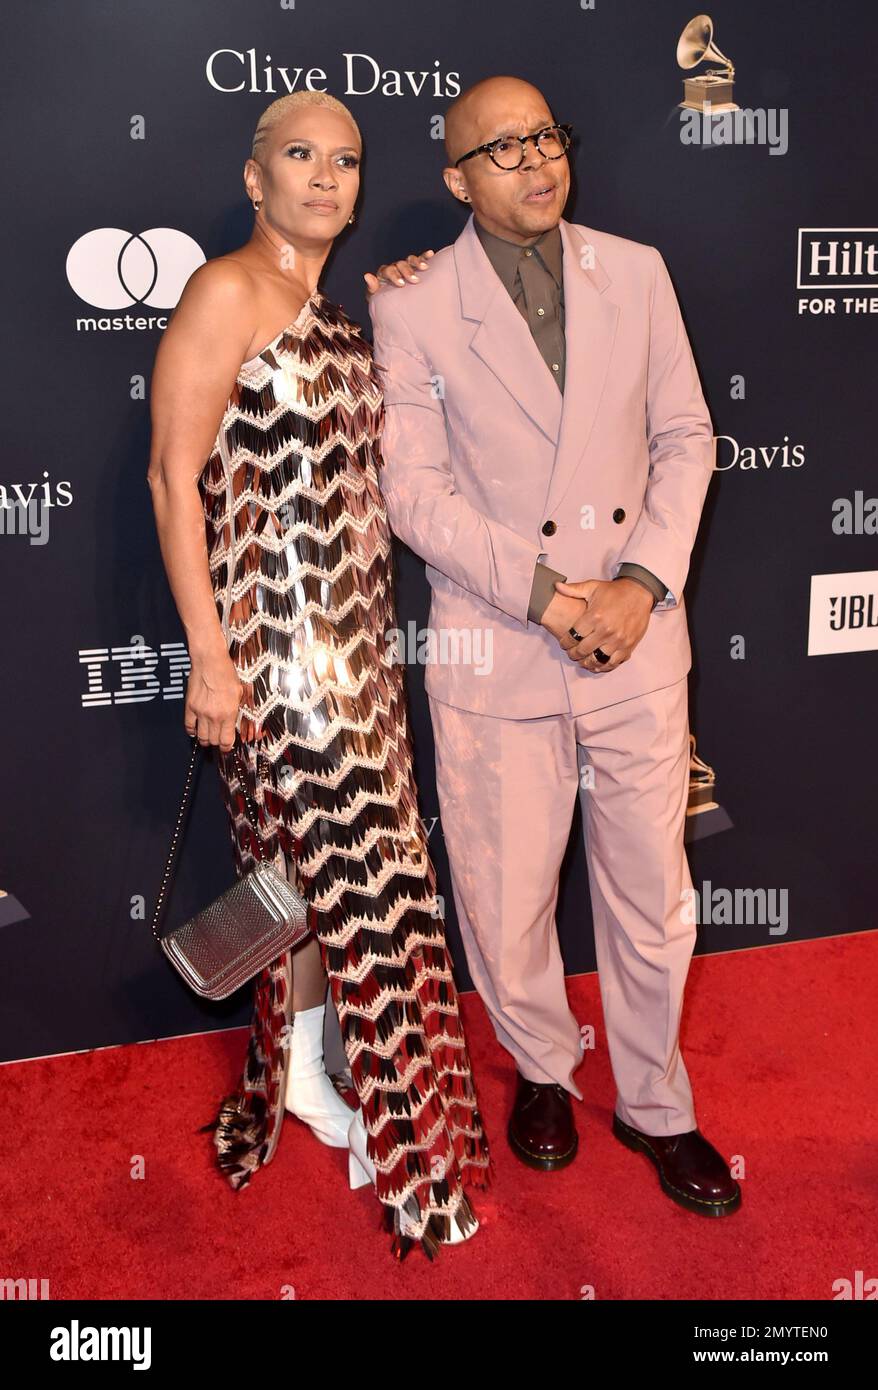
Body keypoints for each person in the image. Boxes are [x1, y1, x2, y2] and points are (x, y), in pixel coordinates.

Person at [365, 75, 741, 1217]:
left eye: (546, 138)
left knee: (649, 890)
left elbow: (684, 435)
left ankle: (654, 1102)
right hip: (498, 641)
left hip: (635, 641)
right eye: (501, 147)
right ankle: (539, 1066)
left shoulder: (633, 271)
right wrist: (545, 596)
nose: (535, 161)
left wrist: (638, 583)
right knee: (503, 891)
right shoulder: (413, 306)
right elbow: (413, 495)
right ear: (454, 178)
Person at [147, 89, 491, 1260]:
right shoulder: (224, 291)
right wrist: (209, 653)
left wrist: (399, 301)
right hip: (277, 656)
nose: (324, 177)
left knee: (300, 874)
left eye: (343, 159)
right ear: (254, 178)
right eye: (299, 155)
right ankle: (400, 1134)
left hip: (358, 651)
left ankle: (302, 1070)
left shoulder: (334, 311)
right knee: (371, 880)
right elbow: (169, 478)